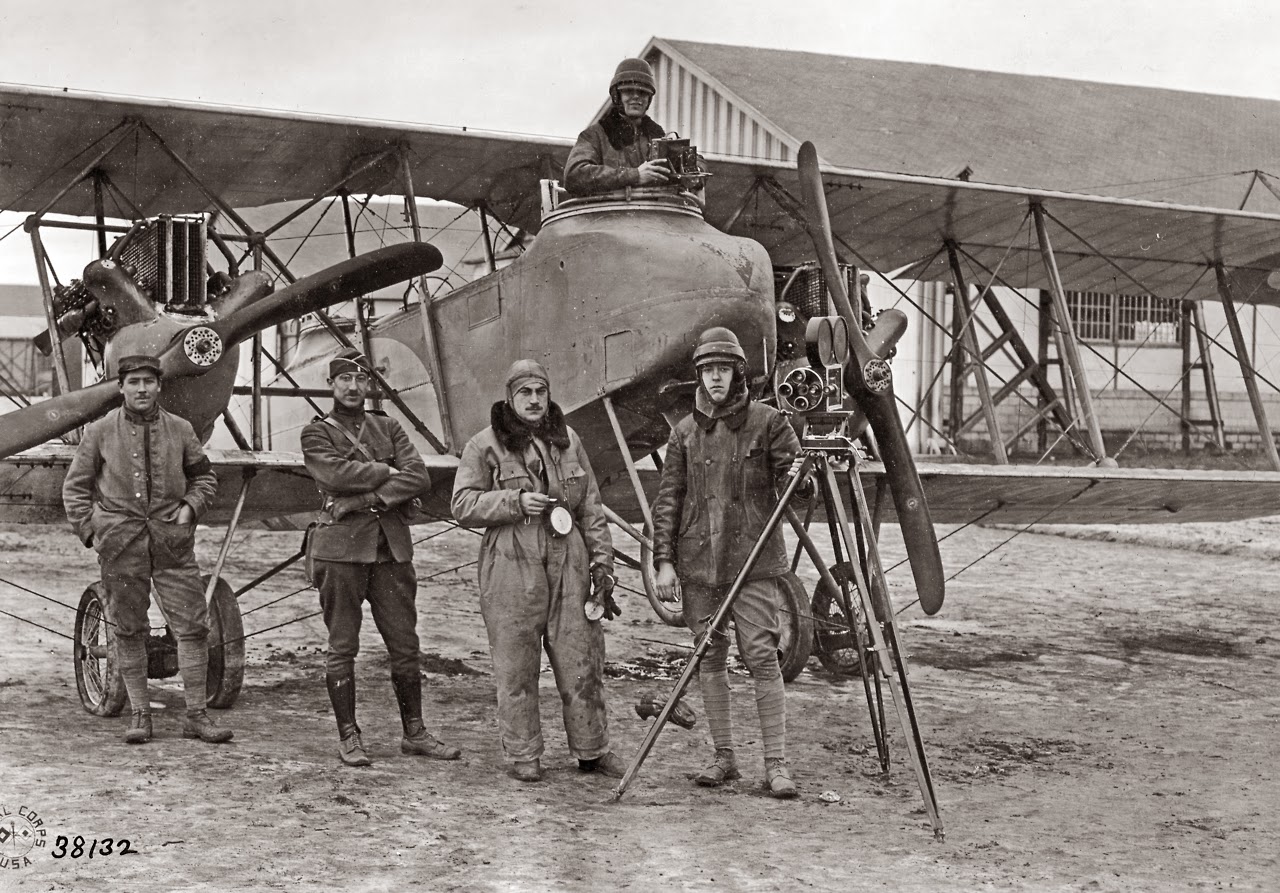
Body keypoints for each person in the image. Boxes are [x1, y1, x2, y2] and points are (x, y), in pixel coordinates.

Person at [451, 359, 624, 783]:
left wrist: (603, 565)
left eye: (540, 392)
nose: (533, 400)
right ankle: (524, 754)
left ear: (548, 397)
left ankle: (591, 749)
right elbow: (461, 505)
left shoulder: (568, 440)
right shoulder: (484, 445)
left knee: (581, 658)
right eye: (524, 393)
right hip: (511, 562)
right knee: (516, 663)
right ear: (510, 398)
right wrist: (511, 503)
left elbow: (592, 508)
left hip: (570, 561)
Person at [650, 327, 804, 798]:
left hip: (753, 562)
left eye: (723, 369)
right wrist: (664, 562)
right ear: (699, 375)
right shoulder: (684, 433)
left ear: (738, 372)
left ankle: (775, 764)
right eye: (708, 370)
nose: (715, 379)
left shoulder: (769, 422)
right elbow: (668, 503)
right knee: (709, 657)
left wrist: (804, 474)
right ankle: (724, 757)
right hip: (699, 565)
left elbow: (796, 483)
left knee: (761, 656)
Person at [301, 348, 460, 767]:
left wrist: (361, 500)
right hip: (341, 554)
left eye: (360, 381)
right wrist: (387, 474)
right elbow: (333, 474)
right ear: (331, 385)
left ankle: (415, 732)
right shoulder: (316, 433)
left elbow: (419, 476)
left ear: (369, 385)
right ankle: (349, 736)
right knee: (342, 645)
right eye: (344, 380)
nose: (353, 388)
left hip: (391, 550)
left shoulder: (389, 426)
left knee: (405, 645)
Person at [63, 354, 231, 745]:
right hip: (121, 546)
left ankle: (196, 716)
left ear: (159, 386)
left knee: (192, 626)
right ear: (121, 387)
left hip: (173, 543)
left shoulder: (181, 429)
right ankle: (140, 715)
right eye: (134, 382)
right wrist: (93, 532)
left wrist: (190, 508)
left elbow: (204, 478)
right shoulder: (101, 431)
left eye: (149, 382)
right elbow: (75, 488)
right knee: (128, 628)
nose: (142, 389)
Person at [563, 57, 678, 196]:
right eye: (629, 91)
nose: (636, 97)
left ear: (649, 99)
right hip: (607, 213)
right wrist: (634, 175)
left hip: (652, 212)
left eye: (642, 92)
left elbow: (695, 164)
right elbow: (574, 176)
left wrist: (687, 160)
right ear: (617, 96)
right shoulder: (594, 136)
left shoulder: (657, 136)